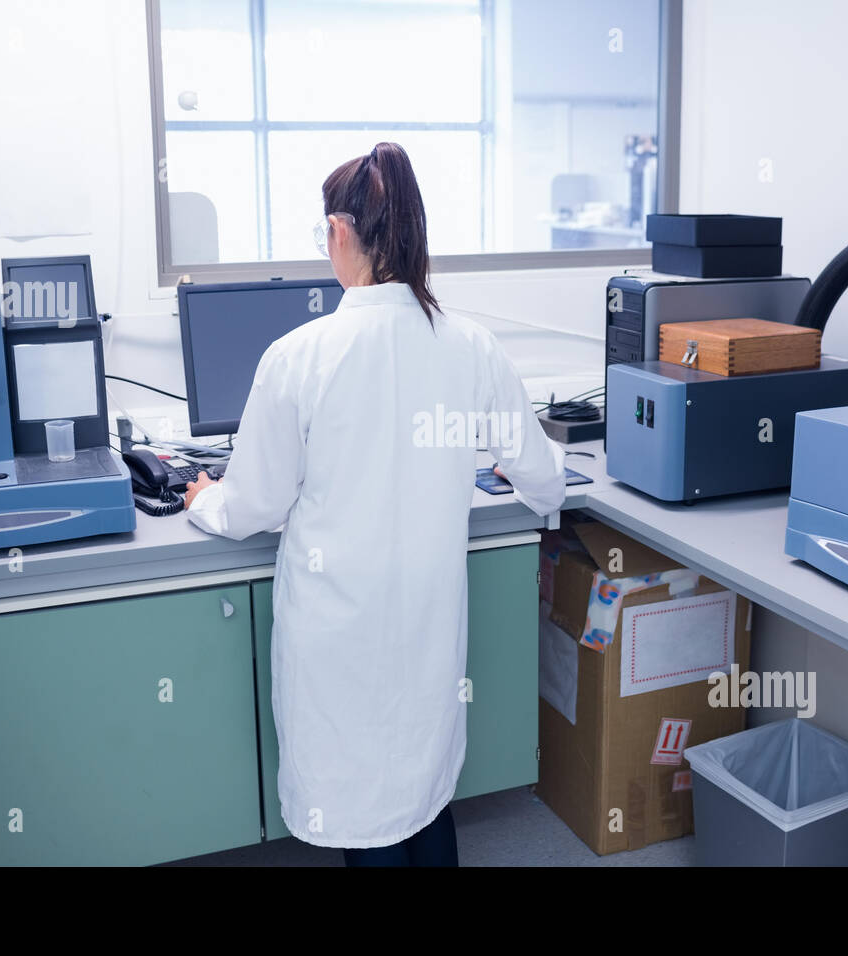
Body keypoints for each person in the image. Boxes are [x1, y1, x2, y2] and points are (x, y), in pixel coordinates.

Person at [183, 142, 567, 866]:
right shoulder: (471, 346)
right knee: (421, 789)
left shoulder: (299, 356)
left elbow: (254, 506)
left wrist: (204, 498)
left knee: (364, 809)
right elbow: (544, 479)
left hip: (340, 634)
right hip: (425, 625)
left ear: (338, 231)